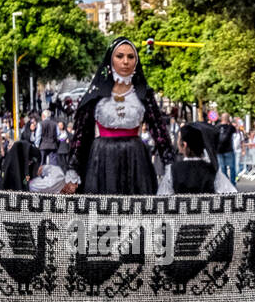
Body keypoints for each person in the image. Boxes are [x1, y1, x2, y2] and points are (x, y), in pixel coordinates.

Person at [62, 38, 174, 195]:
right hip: (102, 160)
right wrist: (73, 171)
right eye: (120, 56)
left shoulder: (143, 93)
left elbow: (159, 130)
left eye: (130, 57)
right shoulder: (97, 94)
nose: (125, 61)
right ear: (111, 60)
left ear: (136, 61)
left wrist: (169, 164)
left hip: (136, 160)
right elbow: (81, 135)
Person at [158, 123, 236, 195]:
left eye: (178, 139)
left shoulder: (173, 171)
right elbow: (231, 194)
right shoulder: (212, 171)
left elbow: (162, 198)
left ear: (184, 145)